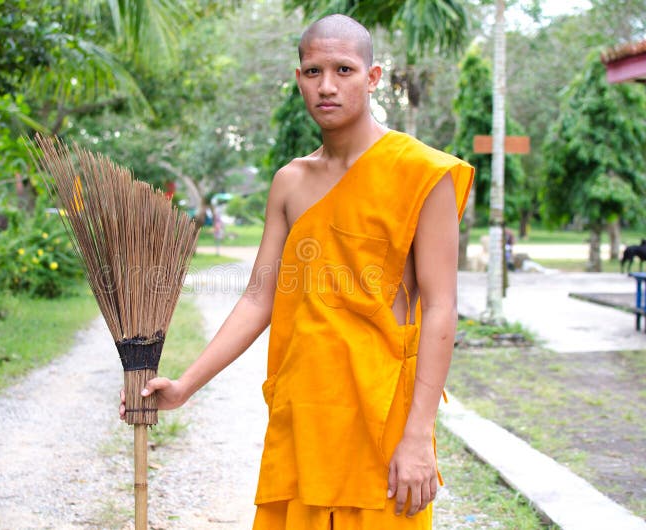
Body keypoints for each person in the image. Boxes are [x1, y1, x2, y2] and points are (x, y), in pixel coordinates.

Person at [120, 14, 473, 530]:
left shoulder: (422, 174)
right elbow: (258, 299)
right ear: (299, 77)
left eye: (344, 70)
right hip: (302, 411)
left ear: (373, 77)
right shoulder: (290, 182)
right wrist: (187, 385)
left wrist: (419, 434)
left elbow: (442, 307)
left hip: (380, 417)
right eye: (313, 72)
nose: (327, 86)